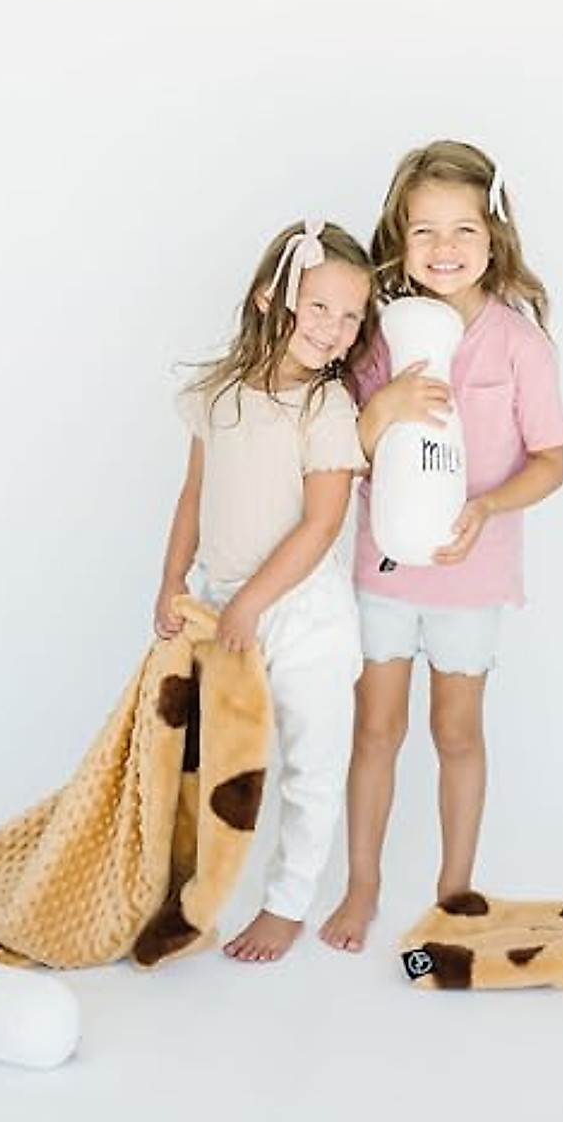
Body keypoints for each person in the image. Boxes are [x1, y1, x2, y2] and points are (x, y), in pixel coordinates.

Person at [319, 140, 563, 953]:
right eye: (424, 231)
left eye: (463, 229)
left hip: (473, 576)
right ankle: (362, 885)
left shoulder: (519, 344)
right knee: (375, 730)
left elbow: (552, 460)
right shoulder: (377, 339)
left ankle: (455, 889)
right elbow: (345, 452)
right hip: (385, 573)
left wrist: (488, 506)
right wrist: (383, 406)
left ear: (493, 237)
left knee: (457, 732)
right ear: (400, 238)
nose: (444, 248)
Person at [154, 219, 376, 961]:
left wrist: (253, 603)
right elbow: (194, 494)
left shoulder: (327, 409)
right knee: (214, 760)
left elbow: (321, 524)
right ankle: (191, 892)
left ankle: (287, 904)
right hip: (221, 602)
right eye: (318, 307)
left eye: (350, 317)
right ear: (268, 299)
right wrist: (173, 579)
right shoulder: (218, 395)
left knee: (312, 765)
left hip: (302, 611)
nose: (333, 328)